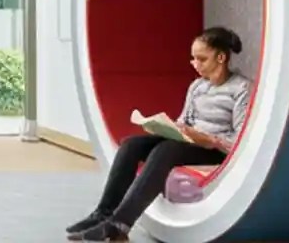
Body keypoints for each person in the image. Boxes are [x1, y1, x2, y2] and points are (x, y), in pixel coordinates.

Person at [66, 27, 251, 241]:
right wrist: (169, 128)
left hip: (213, 150)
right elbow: (185, 120)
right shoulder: (198, 86)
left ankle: (119, 225)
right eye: (193, 59)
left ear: (221, 57)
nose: (196, 65)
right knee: (131, 144)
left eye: (202, 59)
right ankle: (103, 213)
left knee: (166, 150)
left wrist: (209, 140)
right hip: (190, 142)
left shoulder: (241, 89)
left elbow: (240, 142)